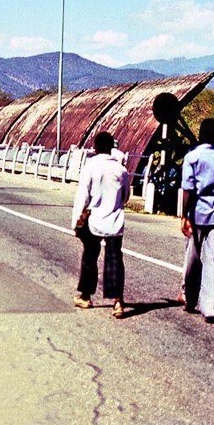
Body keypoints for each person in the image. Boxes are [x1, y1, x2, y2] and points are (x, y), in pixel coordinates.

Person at [179, 118, 214, 323]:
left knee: (192, 258)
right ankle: (213, 308)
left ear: (201, 134)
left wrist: (185, 215)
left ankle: (189, 298)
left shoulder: (192, 157)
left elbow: (188, 189)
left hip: (196, 213)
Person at [71, 131, 131, 319]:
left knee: (90, 255)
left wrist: (75, 222)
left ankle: (86, 297)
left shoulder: (91, 166)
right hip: (114, 220)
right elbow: (126, 196)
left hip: (94, 219)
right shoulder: (121, 170)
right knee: (114, 259)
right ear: (112, 147)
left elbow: (83, 196)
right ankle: (118, 302)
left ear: (96, 147)